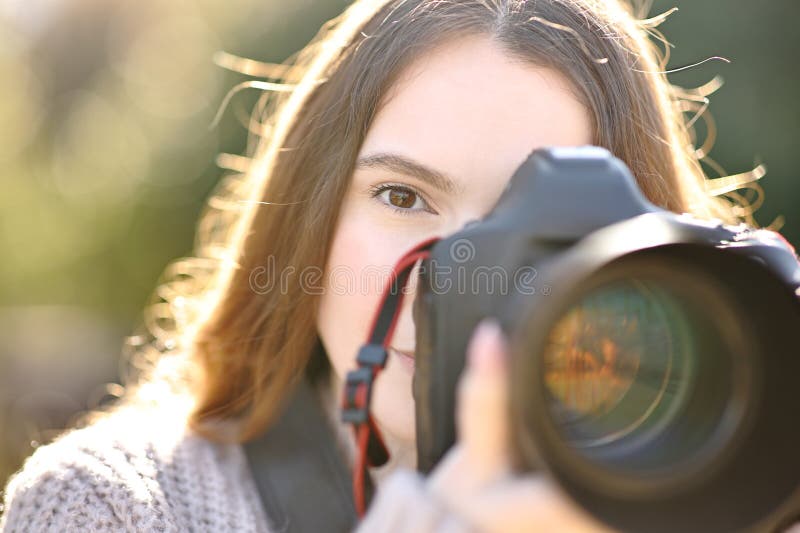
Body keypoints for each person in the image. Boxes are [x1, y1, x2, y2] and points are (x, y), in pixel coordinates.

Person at [0, 0, 780, 531]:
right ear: (312, 211)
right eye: (403, 196)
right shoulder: (116, 505)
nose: (458, 277)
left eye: (528, 223)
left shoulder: (722, 497)